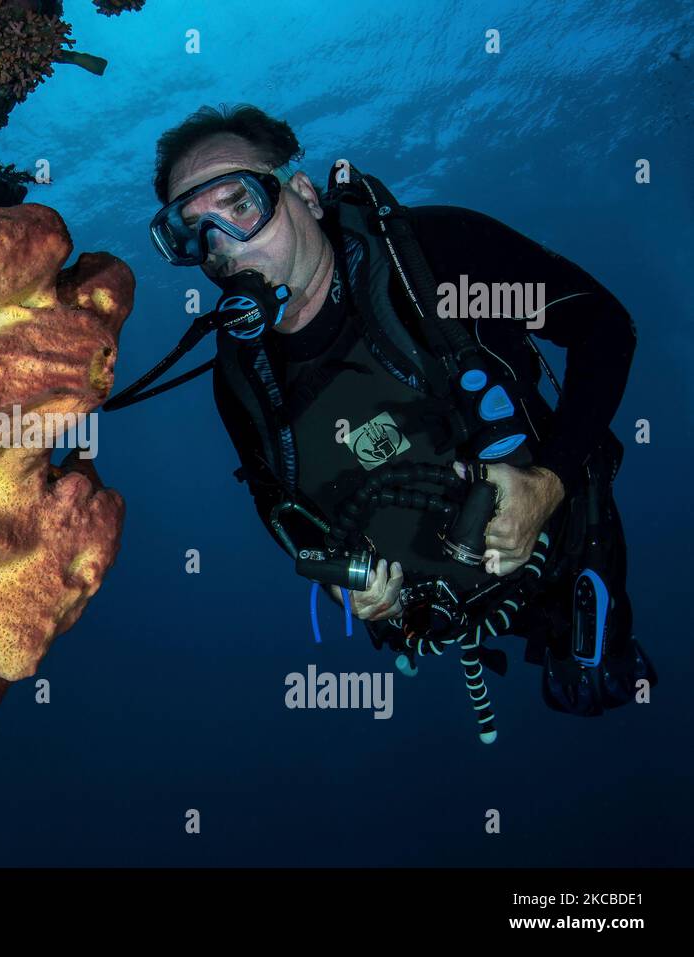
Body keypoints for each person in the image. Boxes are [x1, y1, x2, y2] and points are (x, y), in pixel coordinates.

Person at [106, 104, 655, 738]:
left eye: (239, 203)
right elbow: (278, 505)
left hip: (564, 542)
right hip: (440, 614)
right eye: (191, 231)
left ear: (303, 194)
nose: (222, 246)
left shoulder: (438, 256)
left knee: (603, 672)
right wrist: (350, 589)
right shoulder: (240, 380)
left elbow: (604, 327)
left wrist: (551, 481)